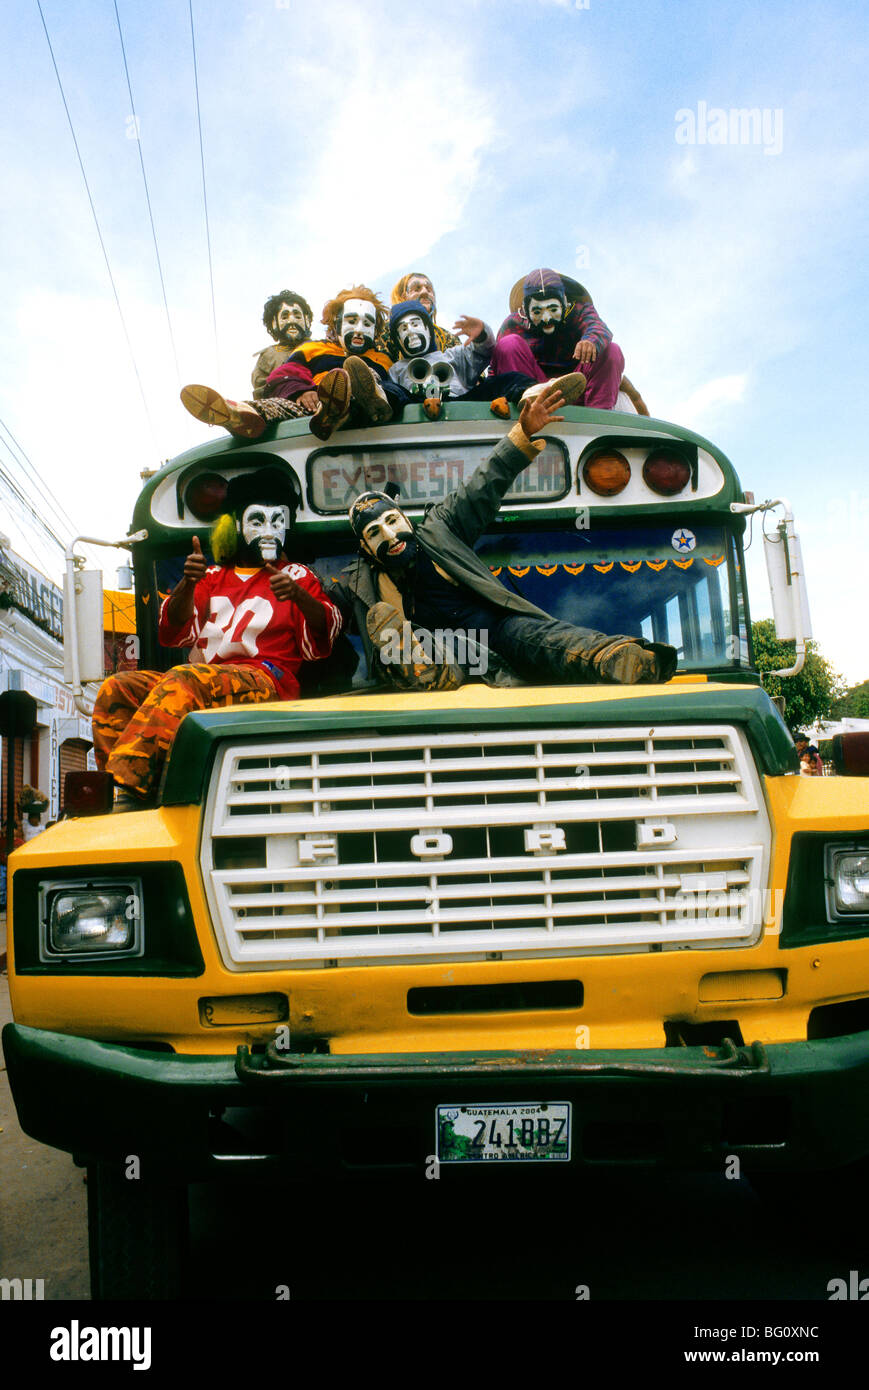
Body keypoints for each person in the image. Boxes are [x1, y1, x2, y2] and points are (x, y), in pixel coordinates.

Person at [330, 383, 678, 690]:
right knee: (419, 651)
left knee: (542, 638)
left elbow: (483, 484)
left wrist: (521, 434)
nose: (390, 535)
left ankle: (614, 659)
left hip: (498, 636)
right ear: (364, 548)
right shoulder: (358, 583)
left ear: (406, 518)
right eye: (374, 532)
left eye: (392, 520)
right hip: (446, 657)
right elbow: (319, 609)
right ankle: (411, 662)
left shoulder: (441, 528)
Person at [92, 466, 342, 808]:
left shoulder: (298, 575)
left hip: (265, 681)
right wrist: (186, 584)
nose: (268, 531)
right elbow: (171, 632)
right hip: (200, 683)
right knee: (116, 688)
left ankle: (128, 790)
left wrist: (298, 596)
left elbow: (324, 638)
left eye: (277, 520)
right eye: (257, 520)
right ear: (234, 525)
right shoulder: (210, 576)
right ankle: (121, 793)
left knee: (185, 679)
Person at [181, 286, 407, 442]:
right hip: (315, 406)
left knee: (365, 374)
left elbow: (398, 388)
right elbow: (284, 375)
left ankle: (357, 404)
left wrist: (388, 397)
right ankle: (239, 414)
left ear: (375, 330)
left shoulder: (382, 359)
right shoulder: (312, 349)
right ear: (335, 324)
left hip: (362, 407)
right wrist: (302, 392)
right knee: (281, 405)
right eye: (351, 321)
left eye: (367, 323)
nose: (358, 329)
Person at [387, 298, 581, 420]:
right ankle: (378, 404)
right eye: (402, 329)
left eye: (415, 324)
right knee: (393, 392)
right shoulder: (396, 369)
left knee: (510, 378)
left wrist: (481, 335)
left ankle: (532, 393)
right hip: (417, 406)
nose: (410, 332)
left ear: (428, 328)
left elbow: (483, 353)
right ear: (396, 339)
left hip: (461, 402)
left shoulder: (451, 355)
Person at [492, 268, 635, 412]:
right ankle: (525, 410)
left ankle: (599, 414)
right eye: (537, 312)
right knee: (508, 344)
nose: (546, 318)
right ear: (525, 309)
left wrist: (590, 341)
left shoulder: (578, 311)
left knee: (611, 350)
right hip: (533, 394)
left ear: (564, 303)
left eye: (553, 309)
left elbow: (597, 327)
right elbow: (496, 365)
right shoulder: (513, 323)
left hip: (578, 387)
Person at [251, 289, 314, 398]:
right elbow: (261, 393)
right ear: (274, 323)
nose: (292, 321)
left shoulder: (321, 348)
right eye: (284, 317)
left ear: (307, 320)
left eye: (297, 316)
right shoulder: (268, 356)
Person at [388, 272, 460, 351]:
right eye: (416, 289)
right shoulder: (387, 331)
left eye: (429, 289)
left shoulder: (448, 338)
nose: (425, 292)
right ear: (403, 297)